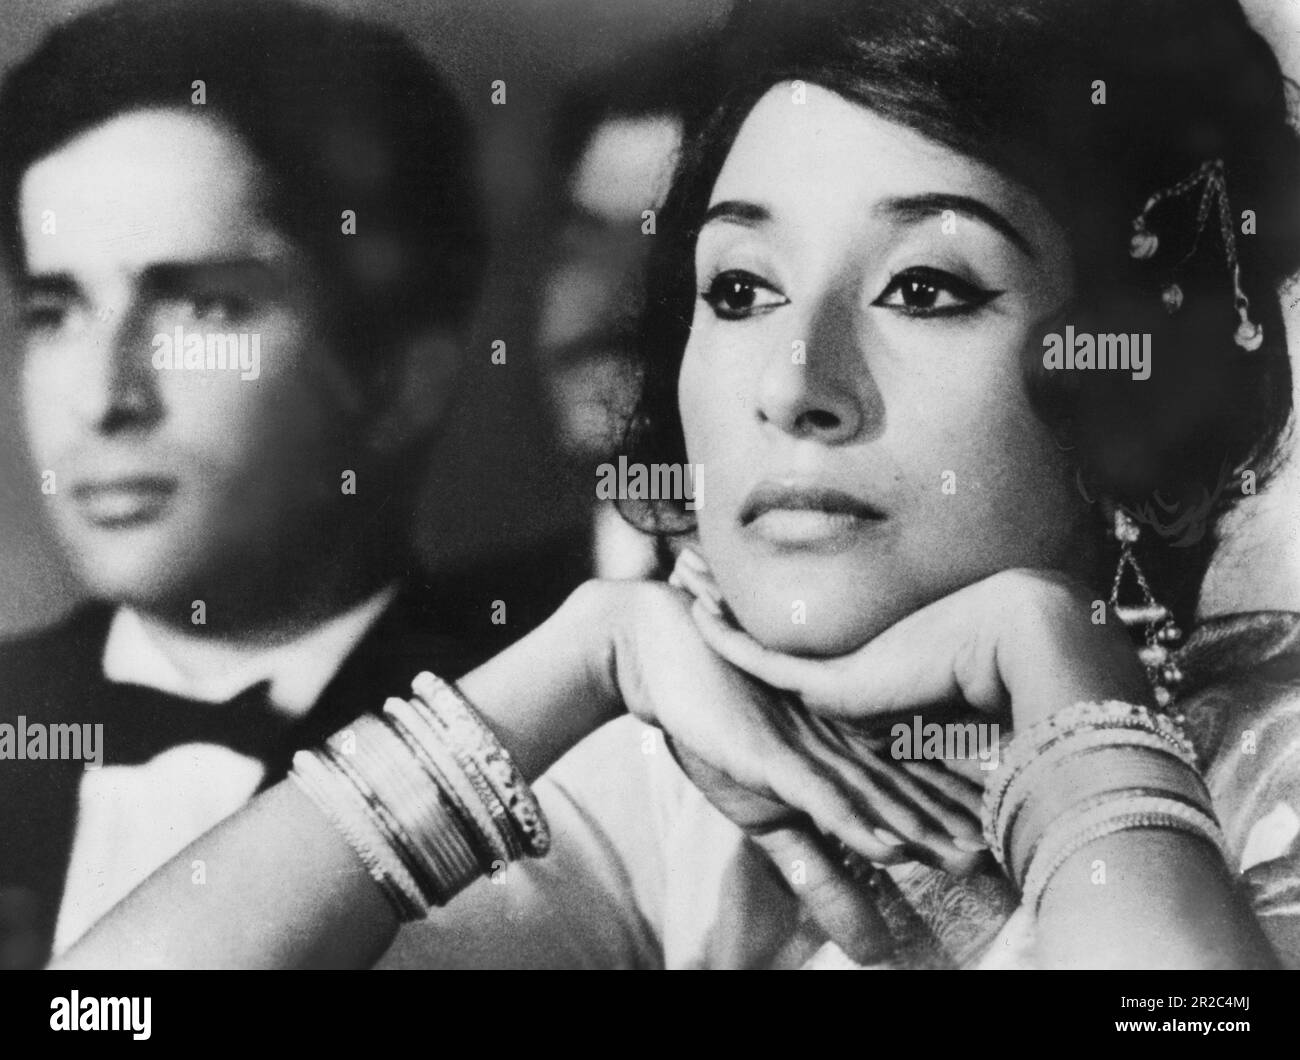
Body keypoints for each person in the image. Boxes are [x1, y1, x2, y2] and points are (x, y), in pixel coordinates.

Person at [55, 0, 1300, 970]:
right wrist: (582, 656)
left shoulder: (1277, 771)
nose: (795, 382)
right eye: (740, 289)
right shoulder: (686, 791)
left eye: (926, 287)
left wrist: (1067, 690)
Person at [0, 0, 572, 969]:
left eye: (206, 307)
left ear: (401, 378)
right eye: (58, 311)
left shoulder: (550, 731)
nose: (107, 399)